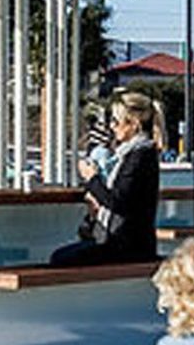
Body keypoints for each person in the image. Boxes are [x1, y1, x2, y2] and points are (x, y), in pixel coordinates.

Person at [52, 88, 165, 267]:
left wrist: (92, 178)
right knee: (65, 255)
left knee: (60, 259)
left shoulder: (140, 156)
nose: (111, 126)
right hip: (125, 243)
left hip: (128, 247)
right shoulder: (131, 154)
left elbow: (117, 202)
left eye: (115, 121)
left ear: (133, 124)